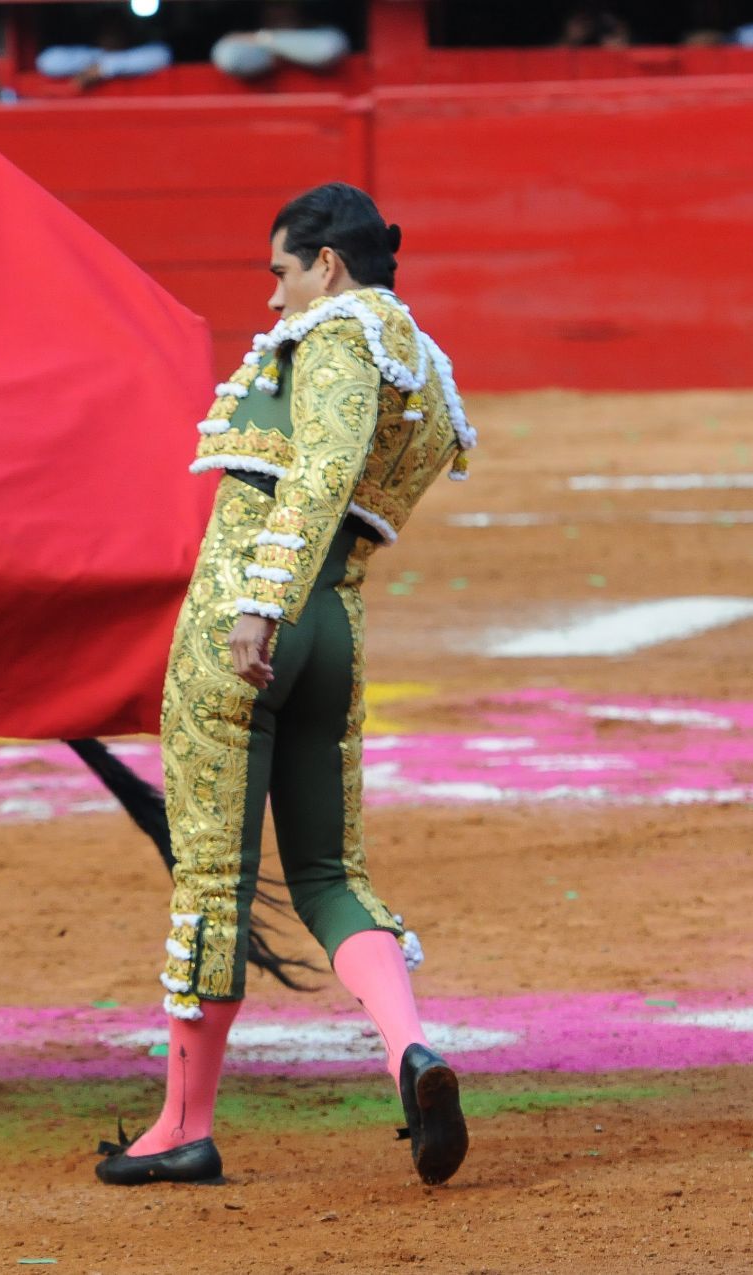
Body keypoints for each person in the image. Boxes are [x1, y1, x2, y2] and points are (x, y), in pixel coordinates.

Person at [95, 183, 474, 1189]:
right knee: (328, 874)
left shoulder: (338, 336)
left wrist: (259, 606)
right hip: (338, 625)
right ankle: (411, 1053)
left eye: (281, 272)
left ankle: (183, 1123)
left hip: (248, 618)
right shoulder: (426, 373)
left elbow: (317, 473)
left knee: (214, 879)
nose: (274, 301)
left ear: (329, 267)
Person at [211, 2, 349, 81]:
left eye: (285, 4)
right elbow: (232, 59)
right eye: (274, 5)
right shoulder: (243, 42)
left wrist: (264, 39)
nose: (280, 12)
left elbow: (326, 51)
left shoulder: (326, 34)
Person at [36, 10, 172, 87]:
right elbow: (47, 61)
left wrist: (103, 68)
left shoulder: (140, 55)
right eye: (107, 33)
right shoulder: (90, 56)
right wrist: (98, 64)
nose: (111, 38)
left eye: (116, 32)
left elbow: (162, 55)